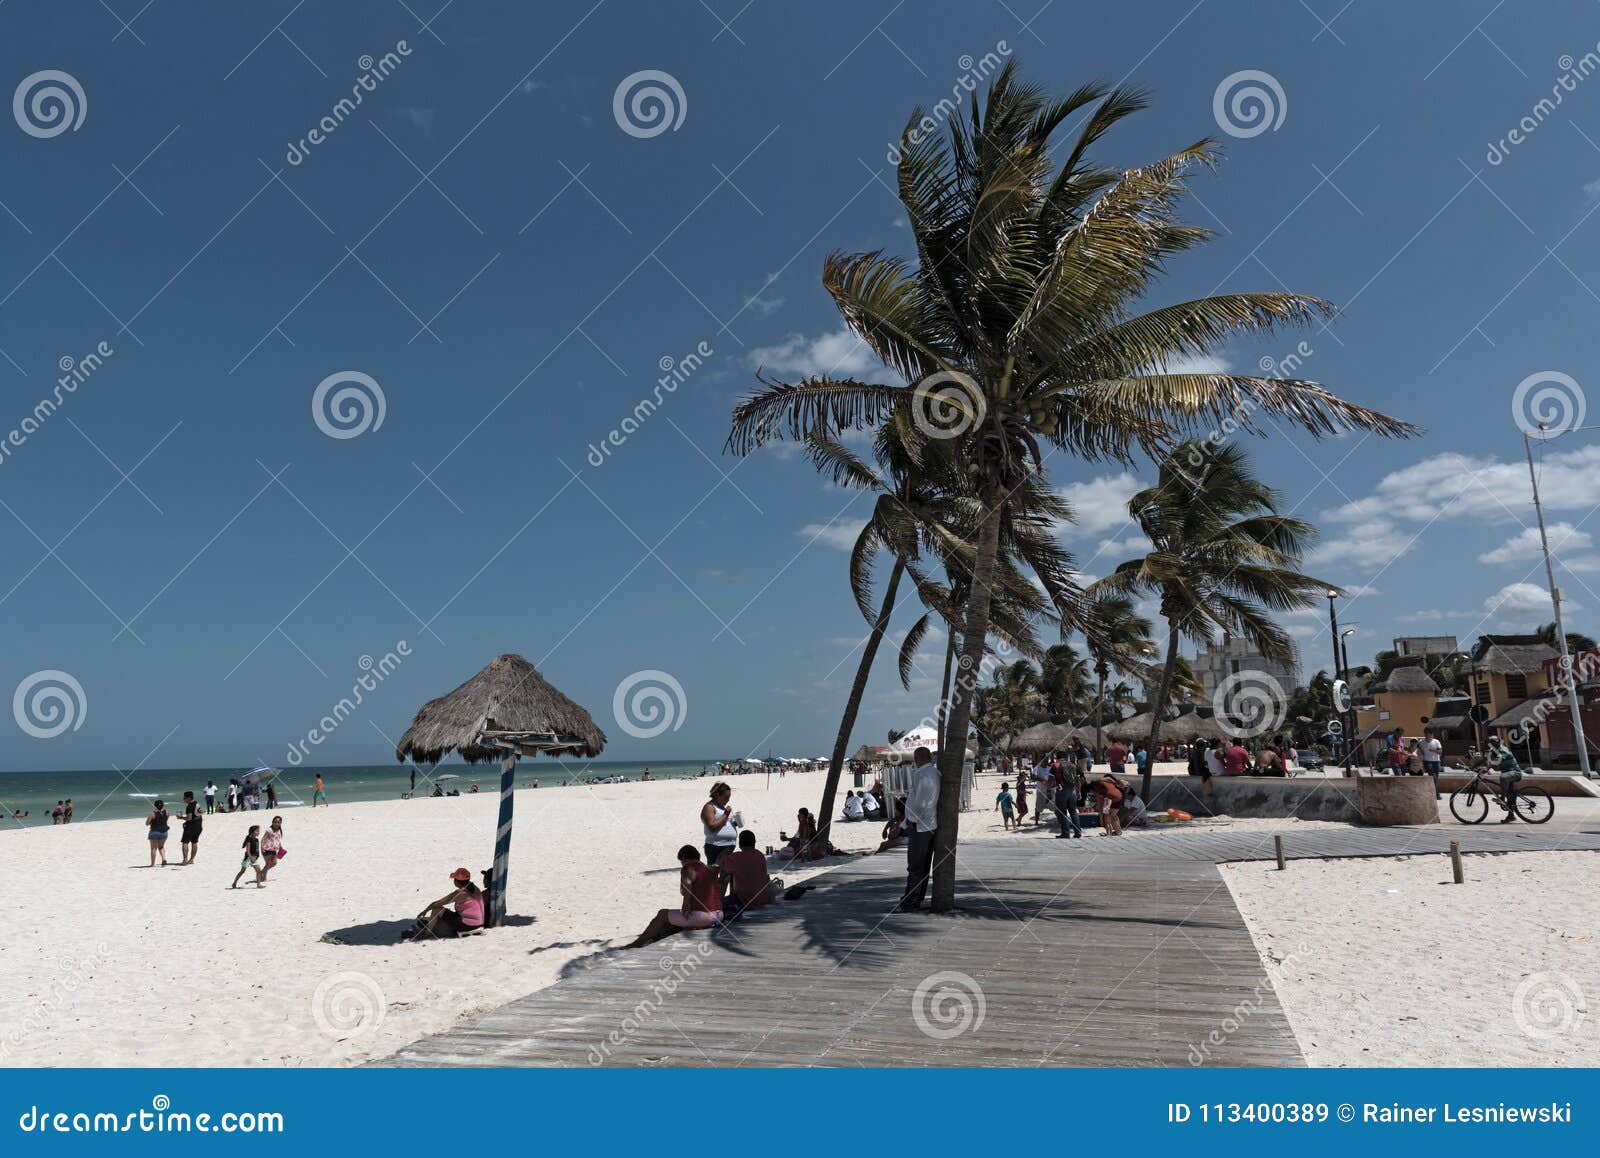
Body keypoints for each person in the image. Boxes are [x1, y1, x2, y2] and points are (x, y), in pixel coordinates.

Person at [627, 845, 723, 947]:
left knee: (662, 914)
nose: (682, 864)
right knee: (675, 917)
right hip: (719, 914)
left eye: (681, 862)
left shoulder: (688, 868)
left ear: (684, 859)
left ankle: (637, 944)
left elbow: (687, 888)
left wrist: (686, 905)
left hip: (704, 917)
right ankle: (655, 937)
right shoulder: (708, 868)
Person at [896, 747, 940, 912]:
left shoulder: (922, 775)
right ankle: (916, 898)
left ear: (916, 758)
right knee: (923, 866)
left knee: (915, 866)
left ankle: (909, 901)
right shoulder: (935, 773)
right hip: (929, 824)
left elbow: (921, 803)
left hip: (921, 826)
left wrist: (911, 821)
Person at [403, 867, 487, 940]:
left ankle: (427, 934)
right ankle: (429, 925)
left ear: (456, 882)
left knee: (437, 910)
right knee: (443, 913)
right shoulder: (474, 888)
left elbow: (438, 903)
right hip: (478, 922)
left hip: (468, 924)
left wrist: (425, 910)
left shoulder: (461, 893)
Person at [718, 830, 773, 919]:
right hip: (762, 898)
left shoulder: (735, 857)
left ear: (739, 843)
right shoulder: (760, 855)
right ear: (754, 842)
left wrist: (724, 853)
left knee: (726, 878)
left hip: (743, 901)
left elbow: (721, 865)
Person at [700, 782, 739, 866]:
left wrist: (734, 824)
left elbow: (724, 822)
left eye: (729, 797)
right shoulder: (709, 807)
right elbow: (712, 826)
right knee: (714, 872)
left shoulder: (722, 807)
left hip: (728, 845)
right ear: (717, 795)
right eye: (726, 797)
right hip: (716, 846)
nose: (728, 799)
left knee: (727, 873)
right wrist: (726, 814)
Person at [1486, 735, 1522, 822]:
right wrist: (1473, 766)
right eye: (1491, 743)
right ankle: (1511, 816)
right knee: (1511, 795)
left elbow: (1498, 760)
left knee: (1503, 777)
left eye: (1494, 743)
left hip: (1514, 773)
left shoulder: (1503, 750)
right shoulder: (1493, 751)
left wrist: (1487, 768)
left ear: (1498, 743)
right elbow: (1486, 759)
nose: (1492, 745)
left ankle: (1502, 798)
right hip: (1508, 773)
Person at [1054, 769, 1081, 839]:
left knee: (1063, 812)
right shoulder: (1072, 765)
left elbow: (1051, 780)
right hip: (1072, 790)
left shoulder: (1056, 766)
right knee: (1073, 812)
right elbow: (1078, 779)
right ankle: (1078, 832)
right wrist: (1078, 791)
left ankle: (1066, 833)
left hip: (1062, 790)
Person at [145, 799, 171, 867]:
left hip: (154, 832)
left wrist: (151, 822)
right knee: (161, 847)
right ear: (163, 805)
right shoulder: (167, 812)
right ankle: (164, 859)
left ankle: (152, 864)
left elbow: (147, 823)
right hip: (164, 832)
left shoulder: (152, 814)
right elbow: (165, 820)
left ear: (155, 806)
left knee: (153, 848)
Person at [179, 792, 203, 866]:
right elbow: (200, 813)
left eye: (185, 798)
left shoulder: (189, 806)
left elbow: (189, 818)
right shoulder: (197, 803)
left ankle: (185, 860)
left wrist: (181, 817)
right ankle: (191, 860)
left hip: (191, 827)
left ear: (189, 798)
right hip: (199, 826)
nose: (183, 799)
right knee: (194, 842)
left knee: (185, 842)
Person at [261, 815, 285, 879]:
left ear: (280, 823)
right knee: (268, 864)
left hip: (274, 850)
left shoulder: (279, 830)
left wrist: (281, 847)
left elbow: (278, 840)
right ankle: (263, 877)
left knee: (274, 863)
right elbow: (263, 838)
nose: (276, 823)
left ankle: (261, 872)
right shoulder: (269, 830)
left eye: (278, 822)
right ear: (272, 822)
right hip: (267, 849)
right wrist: (262, 847)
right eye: (275, 822)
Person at [1031, 759, 1054, 826]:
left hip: (1049, 790)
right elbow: (1033, 777)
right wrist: (1042, 780)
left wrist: (1049, 783)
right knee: (1038, 807)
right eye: (1044, 761)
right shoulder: (1037, 768)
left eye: (1046, 761)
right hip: (1040, 790)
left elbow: (1052, 777)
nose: (1045, 762)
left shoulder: (1050, 768)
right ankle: (1036, 821)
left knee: (1054, 805)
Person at [1423, 727, 1444, 798]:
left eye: (1428, 734)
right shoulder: (1421, 742)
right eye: (1425, 733)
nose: (1427, 735)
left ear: (1432, 734)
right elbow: (1418, 750)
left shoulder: (1436, 741)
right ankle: (1436, 793)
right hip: (1428, 761)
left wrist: (1433, 750)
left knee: (1436, 778)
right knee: (1433, 777)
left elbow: (1440, 752)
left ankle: (1432, 792)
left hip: (1436, 762)